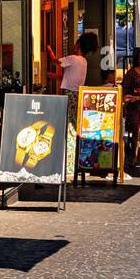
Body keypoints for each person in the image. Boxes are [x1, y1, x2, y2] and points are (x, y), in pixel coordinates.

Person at [46, 32, 99, 179]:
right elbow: (67, 77)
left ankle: (69, 165)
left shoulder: (73, 59)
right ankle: (76, 162)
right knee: (73, 128)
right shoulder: (83, 62)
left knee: (69, 129)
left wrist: (48, 48)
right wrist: (50, 75)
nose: (73, 46)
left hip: (70, 96)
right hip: (78, 96)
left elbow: (53, 60)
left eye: (75, 44)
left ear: (79, 45)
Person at [122, 49, 140, 167]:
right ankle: (134, 157)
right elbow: (124, 88)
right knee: (135, 132)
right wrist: (125, 102)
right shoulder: (131, 73)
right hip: (134, 106)